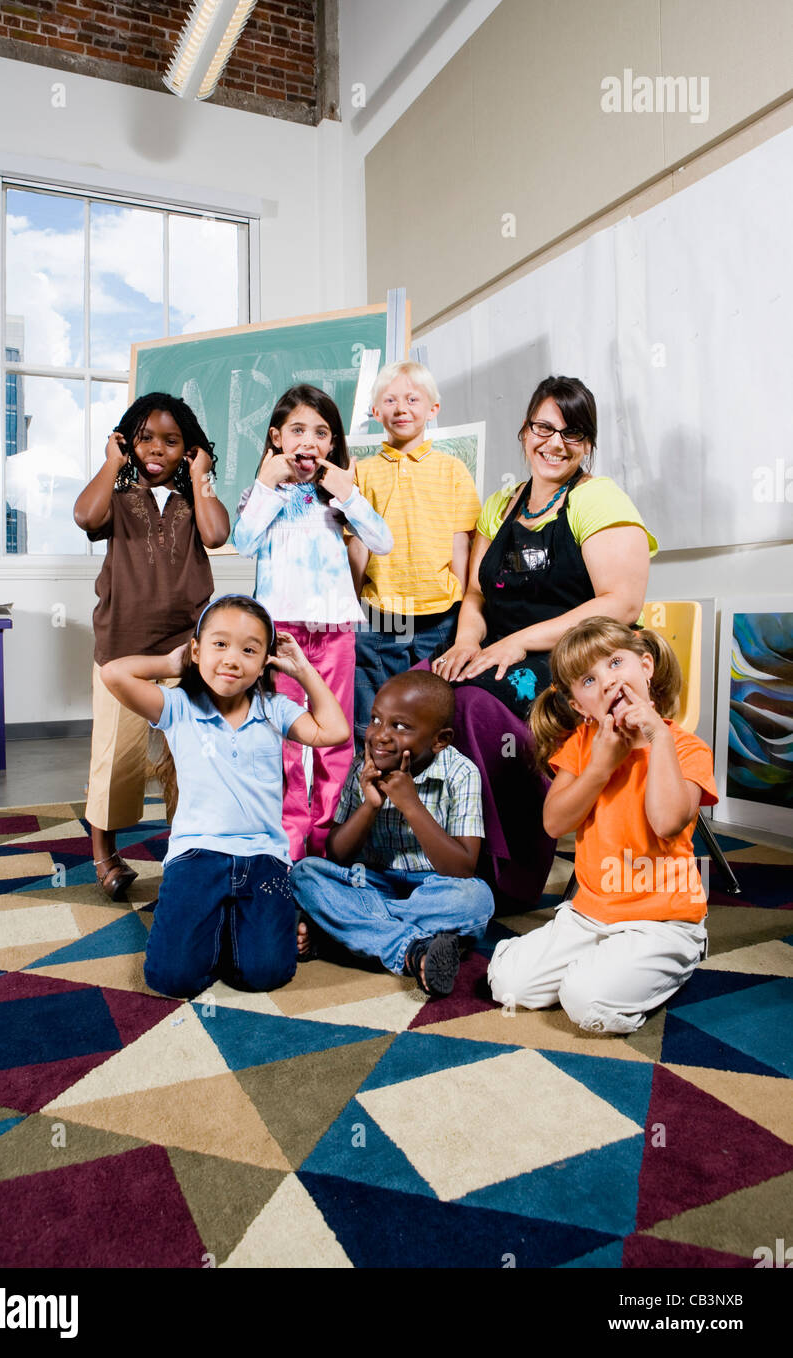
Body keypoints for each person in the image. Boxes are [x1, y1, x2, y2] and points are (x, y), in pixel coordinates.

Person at [432, 375, 658, 906]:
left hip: (576, 665)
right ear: (525, 429)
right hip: (499, 654)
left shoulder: (596, 498)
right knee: (422, 690)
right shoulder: (503, 505)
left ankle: (505, 871)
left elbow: (622, 603)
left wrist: (520, 643)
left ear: (587, 444)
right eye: (544, 427)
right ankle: (430, 855)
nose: (555, 443)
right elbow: (476, 596)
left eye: (573, 433)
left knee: (469, 705)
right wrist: (467, 641)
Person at [99, 595, 350, 999]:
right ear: (197, 650)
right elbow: (113, 674)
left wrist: (304, 671)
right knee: (170, 978)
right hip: (197, 855)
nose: (233, 659)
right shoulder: (178, 707)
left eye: (249, 650)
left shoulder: (276, 709)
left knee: (268, 973)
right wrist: (171, 664)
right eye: (219, 645)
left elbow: (334, 732)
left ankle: (258, 918)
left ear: (266, 660)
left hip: (265, 856)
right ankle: (230, 921)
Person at [487, 618, 718, 1032]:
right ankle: (605, 961)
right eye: (589, 680)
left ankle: (682, 954)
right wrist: (602, 765)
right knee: (509, 985)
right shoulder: (582, 745)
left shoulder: (686, 748)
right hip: (589, 912)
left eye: (615, 663)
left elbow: (666, 822)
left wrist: (657, 738)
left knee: (585, 999)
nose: (609, 682)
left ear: (645, 667)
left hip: (662, 920)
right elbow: (556, 823)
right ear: (578, 706)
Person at [73, 392, 229, 900]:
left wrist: (202, 476)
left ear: (188, 449)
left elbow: (217, 533)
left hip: (187, 646)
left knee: (189, 752)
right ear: (128, 443)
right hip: (122, 644)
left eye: (171, 440)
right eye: (144, 439)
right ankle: (105, 854)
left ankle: (187, 848)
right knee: (116, 754)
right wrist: (112, 461)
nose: (157, 449)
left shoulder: (192, 502)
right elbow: (82, 515)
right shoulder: (117, 500)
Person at [233, 384, 392, 862]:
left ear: (332, 446)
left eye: (321, 433)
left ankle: (328, 835)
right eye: (298, 430)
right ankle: (290, 835)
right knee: (286, 734)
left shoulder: (335, 497)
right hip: (282, 631)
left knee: (335, 731)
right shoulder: (262, 494)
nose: (309, 440)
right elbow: (243, 541)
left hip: (335, 630)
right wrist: (265, 484)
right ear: (276, 438)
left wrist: (349, 494)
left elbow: (381, 542)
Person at [291, 670, 494, 996]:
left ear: (440, 740)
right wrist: (370, 805)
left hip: (433, 890)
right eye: (375, 720)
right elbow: (338, 854)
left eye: (400, 726)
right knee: (305, 874)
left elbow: (462, 868)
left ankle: (342, 931)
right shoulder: (363, 765)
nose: (379, 735)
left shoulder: (461, 773)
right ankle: (415, 949)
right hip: (372, 883)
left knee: (476, 899)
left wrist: (411, 805)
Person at [349, 360, 481, 747]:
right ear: (376, 412)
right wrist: (350, 603)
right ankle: (368, 789)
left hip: (437, 616)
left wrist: (461, 600)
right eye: (389, 400)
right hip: (376, 616)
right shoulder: (362, 472)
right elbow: (356, 543)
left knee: (430, 712)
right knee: (371, 713)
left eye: (412, 399)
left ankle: (422, 793)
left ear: (432, 410)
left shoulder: (453, 470)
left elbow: (462, 541)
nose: (401, 408)